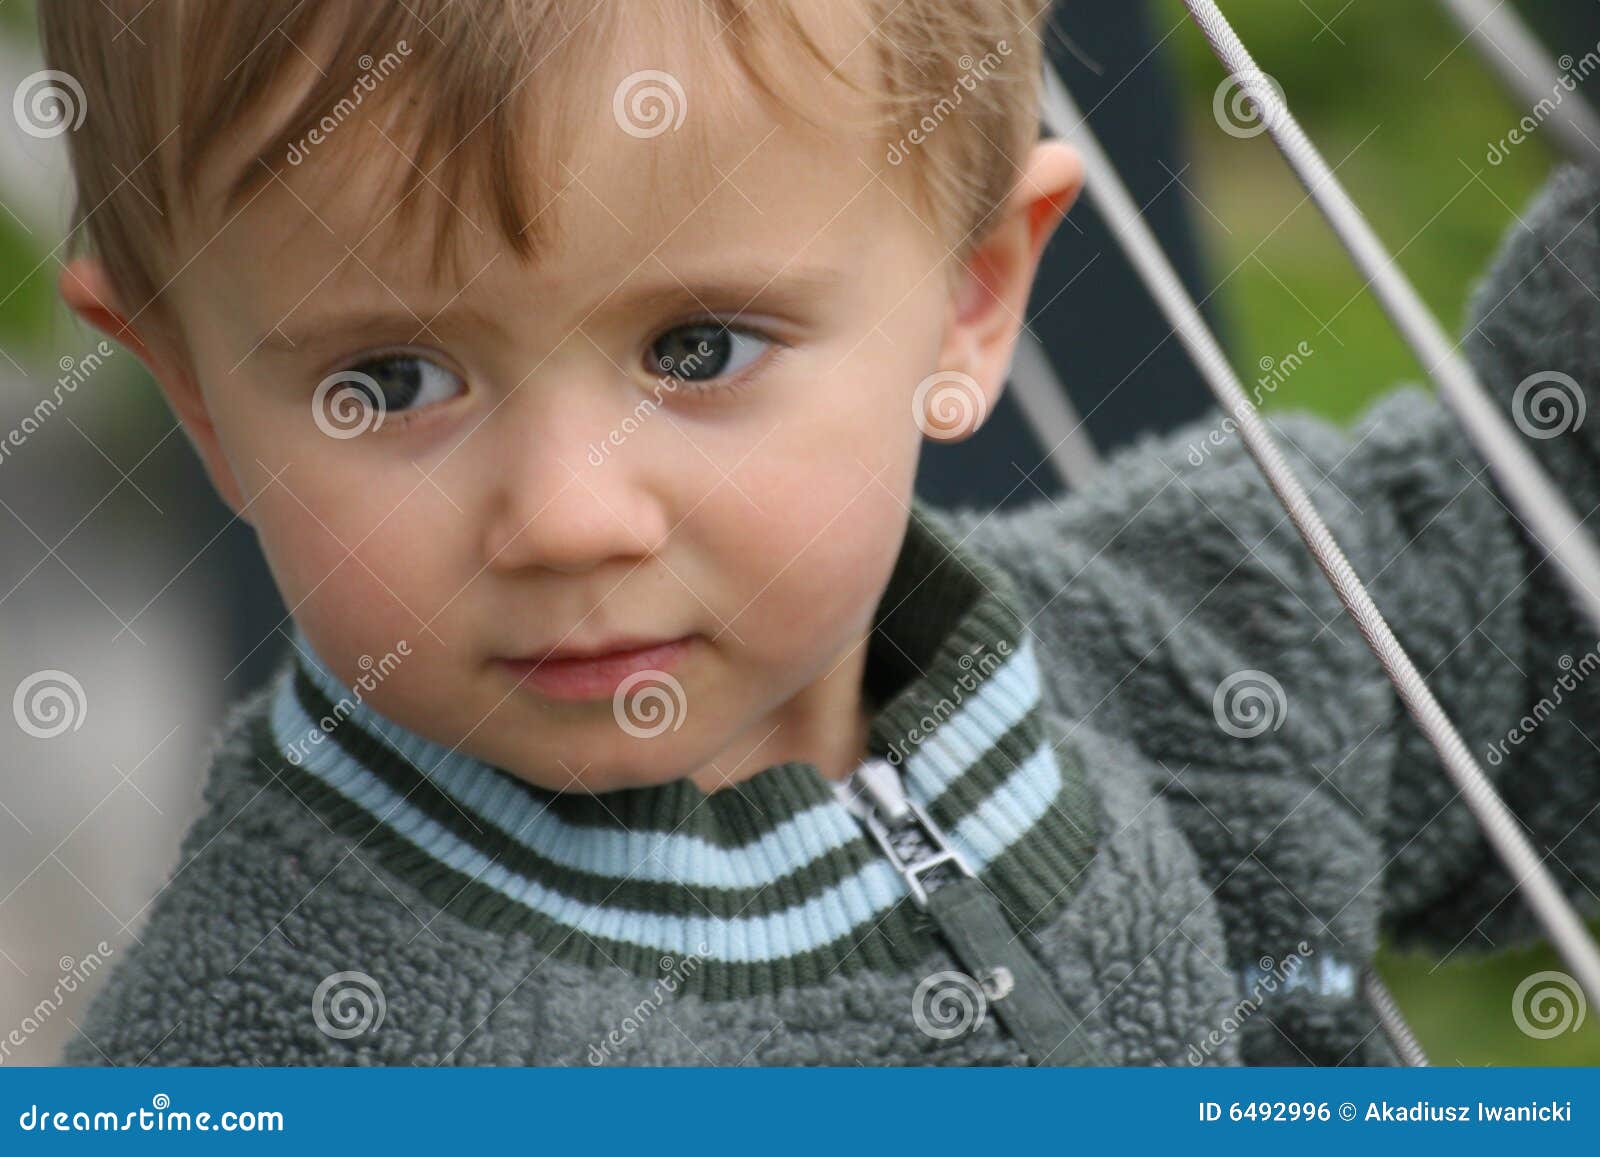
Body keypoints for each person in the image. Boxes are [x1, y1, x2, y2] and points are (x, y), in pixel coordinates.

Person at [39, 0, 1600, 1065]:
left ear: (971, 299)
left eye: (698, 348)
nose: (570, 517)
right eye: (391, 379)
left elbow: (1534, 548)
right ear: (193, 389)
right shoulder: (281, 1046)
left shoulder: (1180, 651)